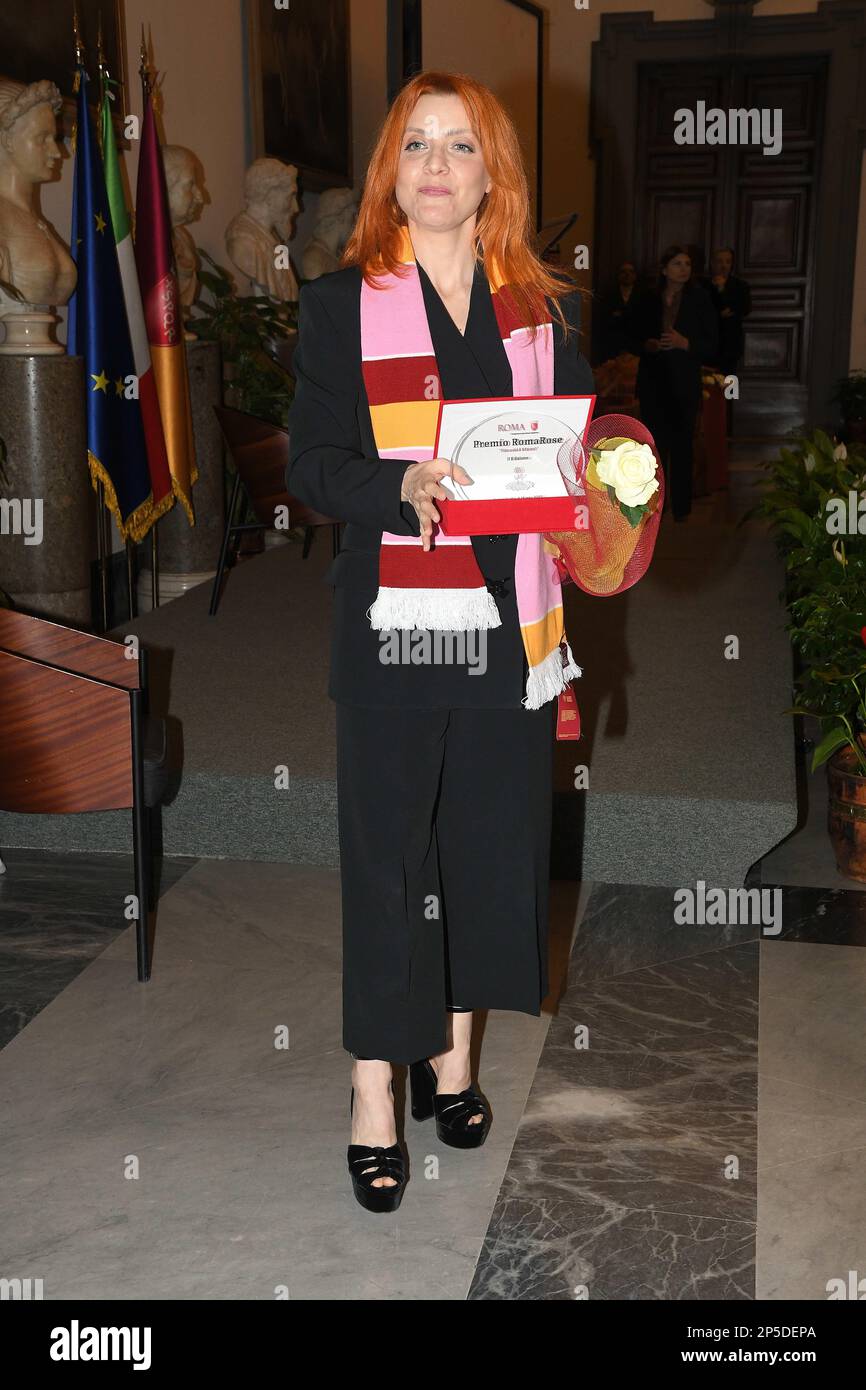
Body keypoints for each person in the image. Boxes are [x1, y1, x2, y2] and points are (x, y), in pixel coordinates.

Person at [287, 70, 594, 1213]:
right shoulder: (336, 304)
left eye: (458, 146)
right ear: (389, 171)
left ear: (489, 176)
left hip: (511, 628)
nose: (432, 164)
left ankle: (452, 1057)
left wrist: (606, 486)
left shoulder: (541, 316)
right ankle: (376, 1087)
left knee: (480, 844)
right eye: (412, 143)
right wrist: (390, 481)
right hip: (396, 631)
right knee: (387, 860)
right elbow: (308, 466)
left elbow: (567, 465)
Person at [627, 245, 718, 522]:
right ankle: (655, 506)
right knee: (654, 446)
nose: (684, 269)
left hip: (684, 382)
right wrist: (647, 345)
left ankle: (681, 508)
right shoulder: (647, 299)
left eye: (688, 264)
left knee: (682, 445)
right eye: (677, 263)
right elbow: (627, 334)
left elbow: (713, 344)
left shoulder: (700, 299)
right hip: (654, 380)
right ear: (665, 269)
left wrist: (685, 343)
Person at [703, 246, 752, 375]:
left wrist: (722, 290)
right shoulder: (702, 286)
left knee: (730, 388)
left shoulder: (740, 286)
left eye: (728, 262)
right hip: (707, 344)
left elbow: (745, 309)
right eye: (719, 261)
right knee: (708, 387)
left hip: (730, 345)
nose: (724, 266)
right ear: (712, 263)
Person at [594, 259, 638, 363]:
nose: (627, 275)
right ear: (618, 275)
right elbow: (604, 322)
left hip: (635, 347)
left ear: (635, 275)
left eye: (630, 272)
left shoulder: (642, 296)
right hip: (613, 347)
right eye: (623, 272)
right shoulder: (609, 296)